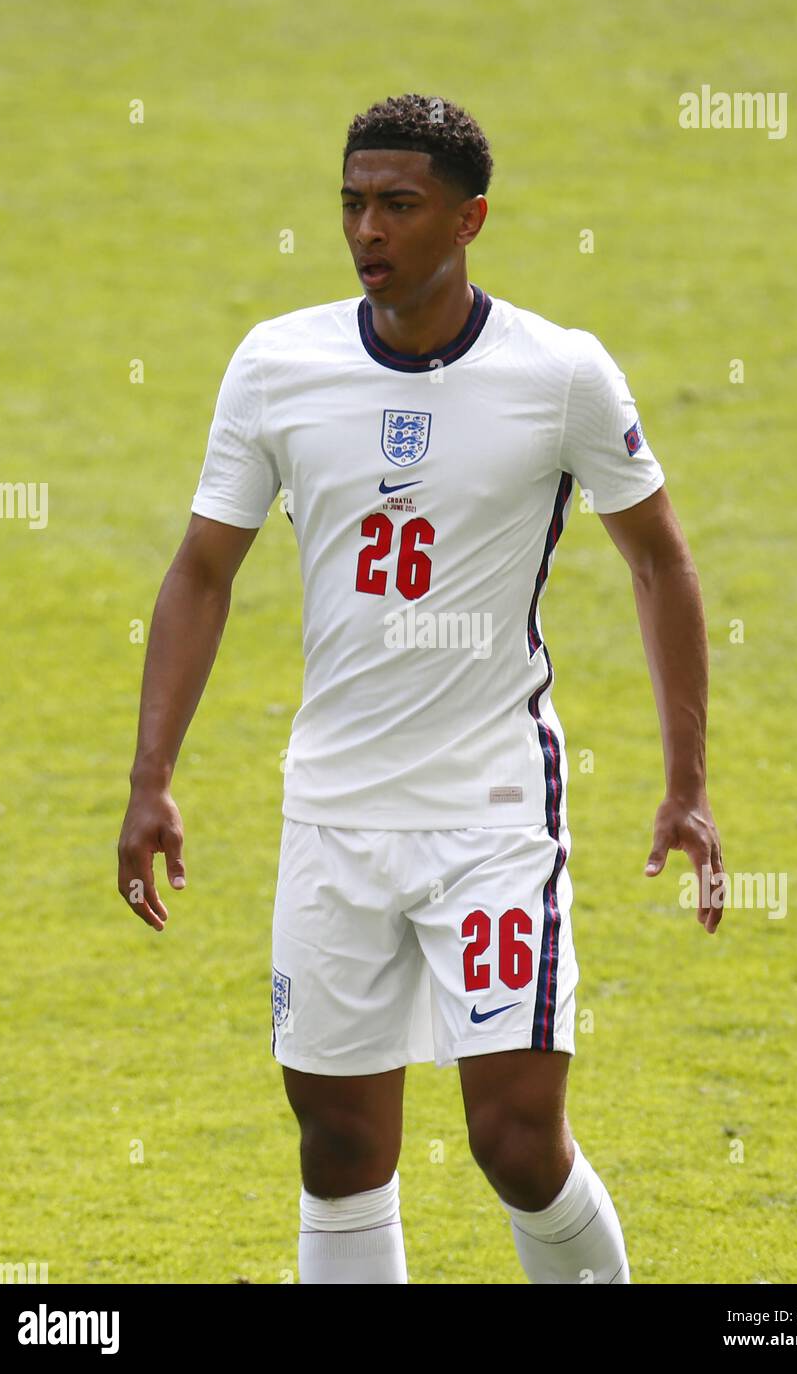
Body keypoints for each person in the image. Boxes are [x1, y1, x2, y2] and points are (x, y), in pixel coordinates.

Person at [117, 93, 725, 1285]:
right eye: (351, 202)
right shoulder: (276, 364)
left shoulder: (559, 375)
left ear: (469, 219)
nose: (367, 230)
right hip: (332, 812)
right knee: (340, 1145)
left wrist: (685, 783)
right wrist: (150, 780)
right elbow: (201, 570)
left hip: (491, 810)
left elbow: (661, 560)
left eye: (398, 204)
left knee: (513, 1140)